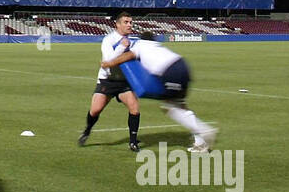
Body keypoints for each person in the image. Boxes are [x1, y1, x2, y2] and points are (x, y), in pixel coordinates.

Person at [102, 30, 216, 151]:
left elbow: (128, 55)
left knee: (170, 107)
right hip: (183, 65)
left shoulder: (141, 45)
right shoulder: (157, 46)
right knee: (180, 106)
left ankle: (204, 130)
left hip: (170, 70)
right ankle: (200, 143)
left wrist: (110, 63)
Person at [77, 11, 143, 151]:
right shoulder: (109, 40)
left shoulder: (134, 40)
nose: (129, 25)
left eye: (131, 22)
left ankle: (133, 142)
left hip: (124, 82)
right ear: (117, 24)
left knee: (135, 109)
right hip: (107, 80)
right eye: (126, 22)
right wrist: (122, 46)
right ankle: (87, 131)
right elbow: (108, 60)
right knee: (95, 111)